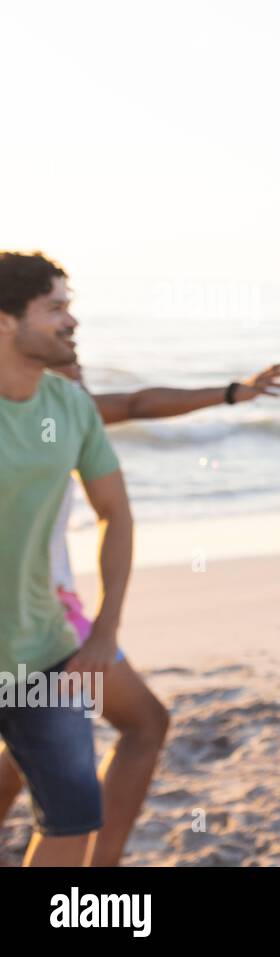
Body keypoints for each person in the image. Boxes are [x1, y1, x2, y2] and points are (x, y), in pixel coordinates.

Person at [0, 357, 280, 866]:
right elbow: (135, 408)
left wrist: (231, 392)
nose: (74, 357)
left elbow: (139, 403)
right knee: (141, 723)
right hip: (51, 614)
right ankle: (99, 864)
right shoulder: (49, 407)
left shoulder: (64, 408)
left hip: (51, 607)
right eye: (59, 328)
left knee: (40, 736)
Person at [0, 252, 131, 866]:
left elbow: (116, 514)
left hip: (44, 653)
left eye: (68, 305)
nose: (71, 320)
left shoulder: (68, 406)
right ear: (5, 320)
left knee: (74, 814)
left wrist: (104, 630)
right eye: (55, 308)